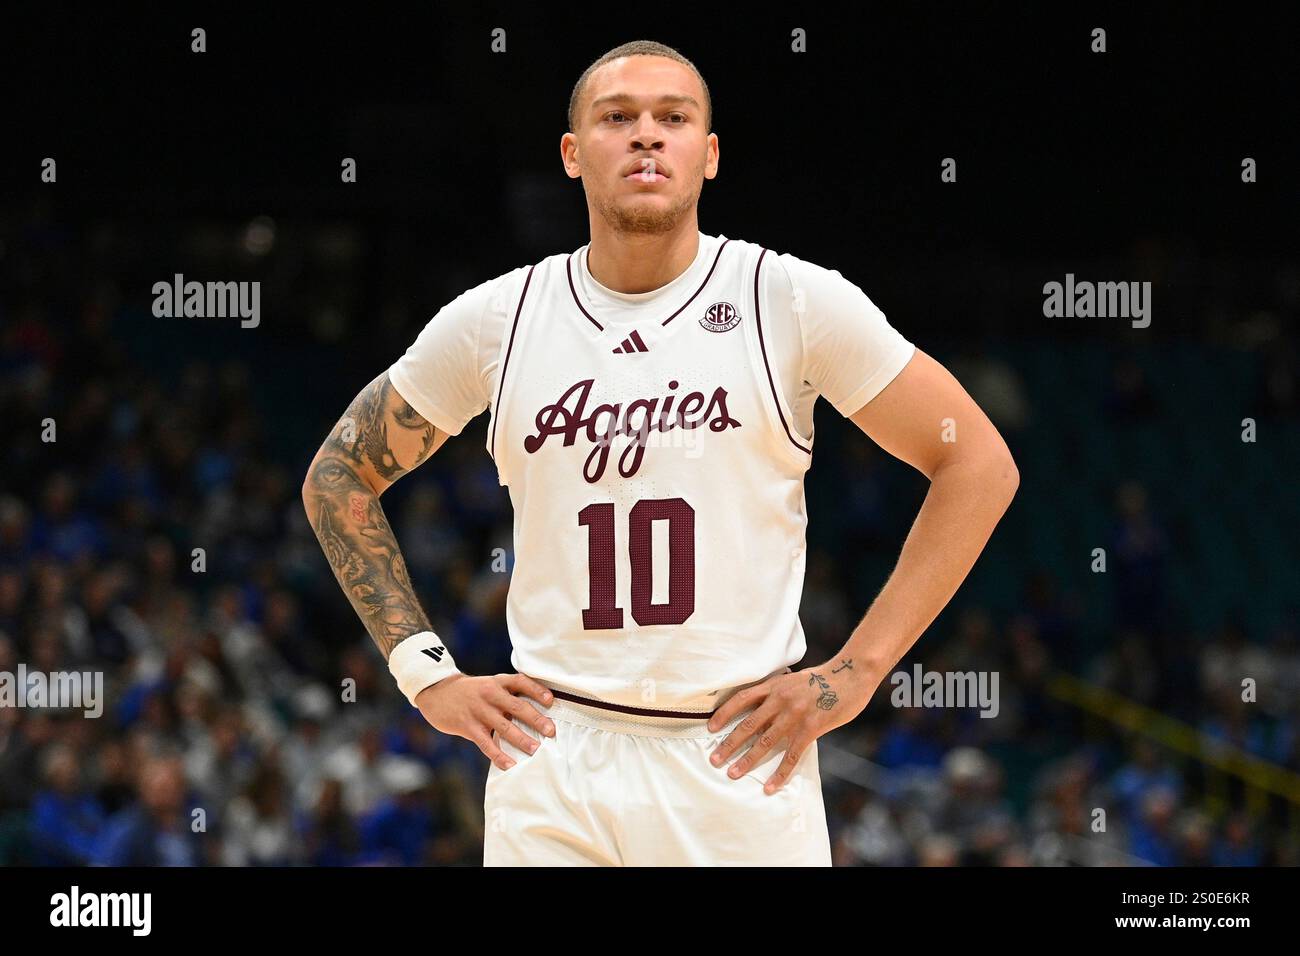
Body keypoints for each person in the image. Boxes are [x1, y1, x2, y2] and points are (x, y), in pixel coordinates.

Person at [302, 40, 1019, 866]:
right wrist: (425, 673)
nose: (647, 136)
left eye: (673, 119)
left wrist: (857, 672)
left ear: (708, 155)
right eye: (618, 118)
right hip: (554, 752)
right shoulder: (499, 319)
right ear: (573, 154)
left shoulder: (788, 300)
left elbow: (977, 463)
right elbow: (338, 474)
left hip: (738, 756)